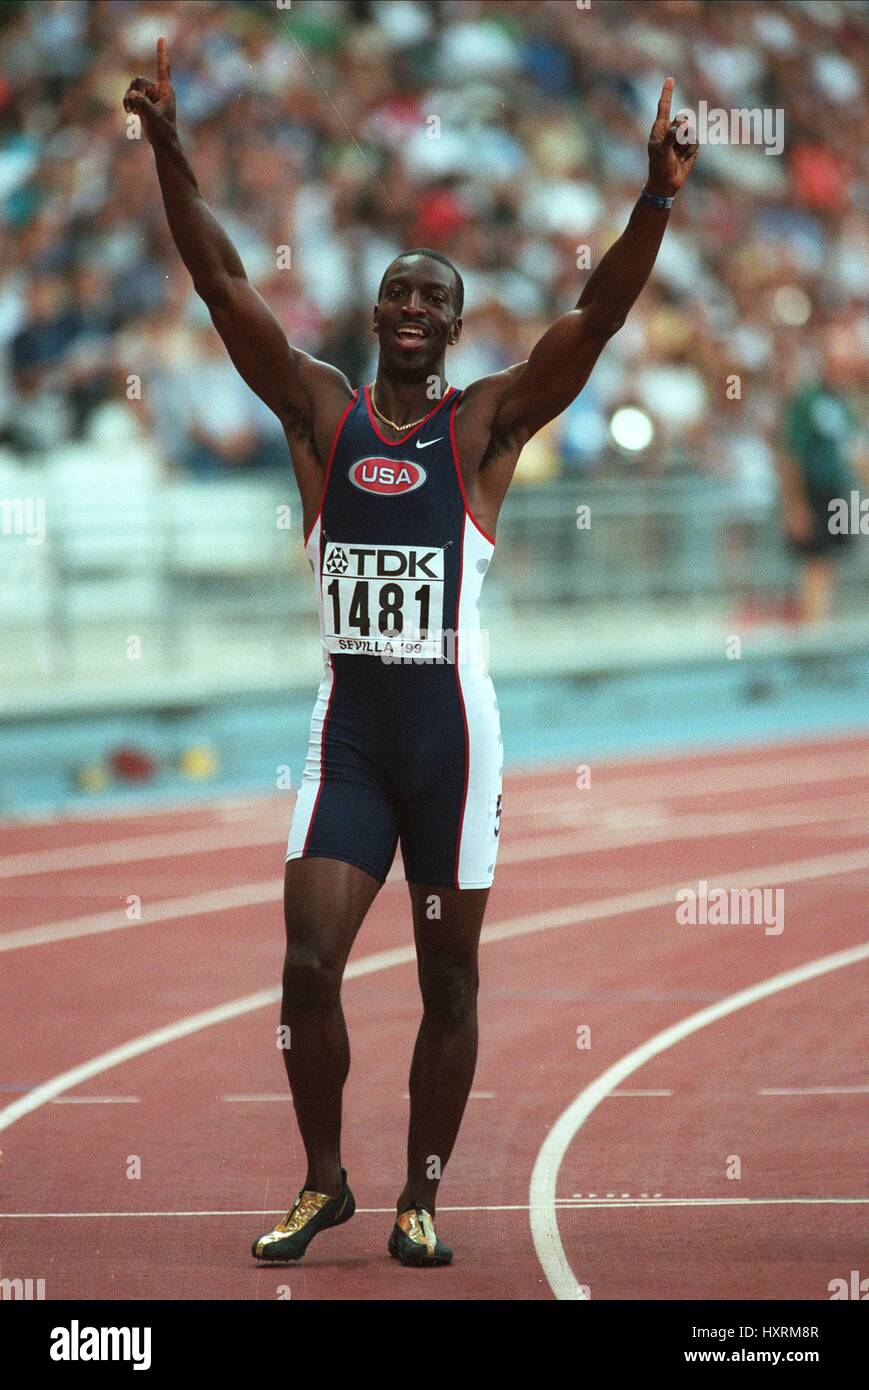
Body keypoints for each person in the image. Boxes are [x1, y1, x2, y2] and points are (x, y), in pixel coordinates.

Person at [124, 39, 698, 1267]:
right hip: (349, 739)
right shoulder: (319, 411)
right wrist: (168, 148)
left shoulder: (482, 423)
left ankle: (417, 1194)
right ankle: (324, 1178)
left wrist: (651, 199)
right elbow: (223, 283)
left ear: (452, 326)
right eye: (401, 293)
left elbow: (593, 318)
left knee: (447, 983)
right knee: (304, 966)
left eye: (438, 300)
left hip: (450, 738)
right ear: (377, 309)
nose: (417, 311)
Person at [779, 330, 860, 623]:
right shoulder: (808, 401)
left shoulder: (843, 403)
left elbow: (851, 451)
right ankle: (812, 626)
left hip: (835, 492)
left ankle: (820, 622)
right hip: (813, 492)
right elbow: (792, 454)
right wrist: (795, 504)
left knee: (829, 563)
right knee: (815, 562)